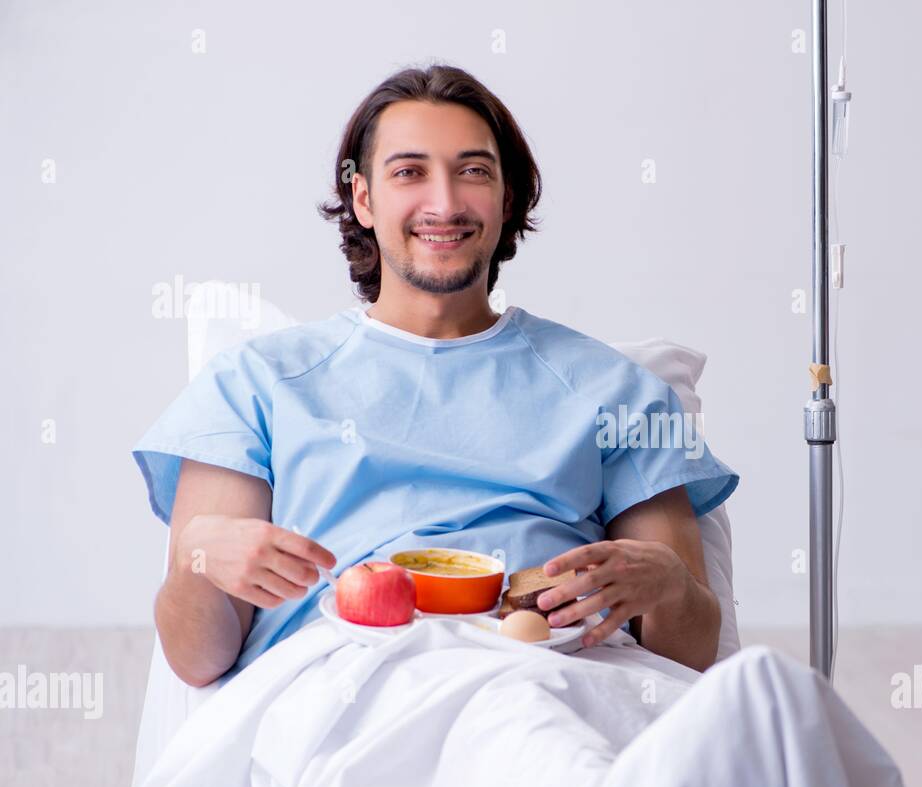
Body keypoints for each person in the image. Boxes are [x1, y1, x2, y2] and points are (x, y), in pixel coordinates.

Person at [133, 63, 739, 688]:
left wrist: (667, 587)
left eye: (473, 171)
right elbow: (198, 659)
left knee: (778, 710)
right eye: (409, 172)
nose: (444, 203)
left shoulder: (619, 393)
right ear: (363, 199)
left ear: (507, 200)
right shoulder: (255, 383)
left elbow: (687, 653)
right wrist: (198, 560)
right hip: (348, 684)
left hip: (563, 678)